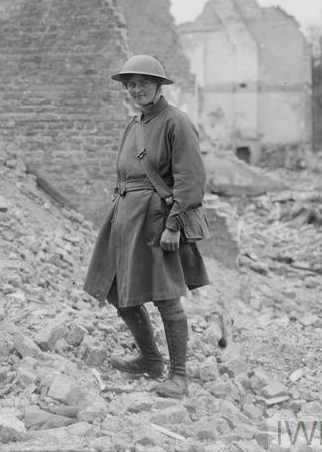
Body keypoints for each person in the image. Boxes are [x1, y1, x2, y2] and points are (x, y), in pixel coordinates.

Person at [83, 54, 210, 398]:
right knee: (119, 293)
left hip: (158, 223)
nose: (136, 89)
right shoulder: (134, 125)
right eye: (131, 84)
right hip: (125, 220)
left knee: (167, 298)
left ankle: (179, 374)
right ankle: (150, 359)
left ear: (158, 86)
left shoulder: (175, 122)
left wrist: (174, 225)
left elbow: (191, 179)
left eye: (143, 83)